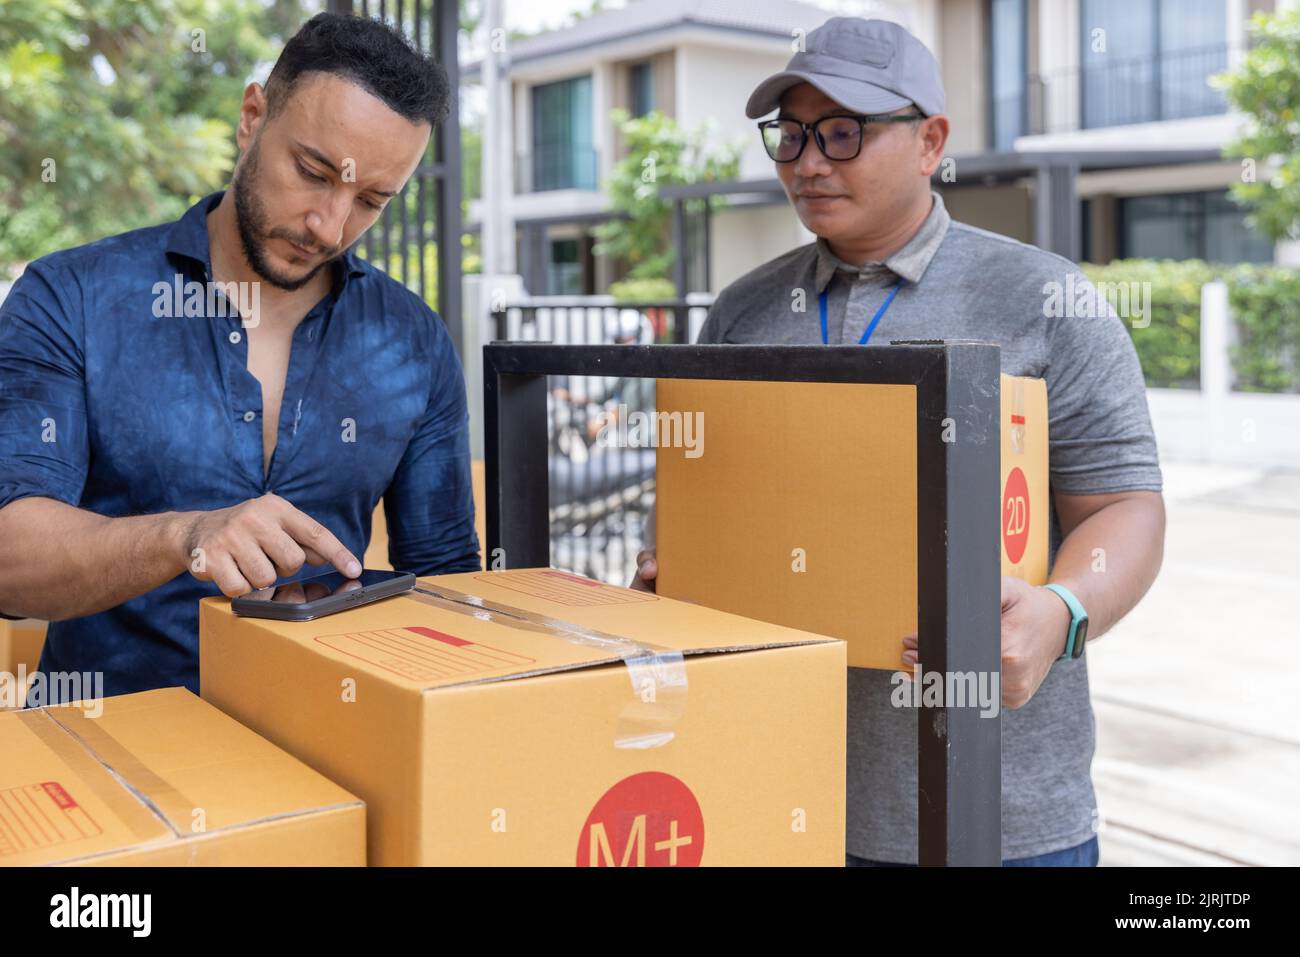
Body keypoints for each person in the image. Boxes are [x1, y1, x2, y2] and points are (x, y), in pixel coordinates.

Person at [632, 17, 1166, 867]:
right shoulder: (742, 311)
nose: (808, 162)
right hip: (783, 795)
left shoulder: (1042, 297)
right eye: (791, 135)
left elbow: (1125, 504)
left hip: (1000, 815)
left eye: (844, 132)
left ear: (931, 142)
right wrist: (678, 576)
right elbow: (704, 507)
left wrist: (1061, 613)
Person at [0, 13, 481, 700]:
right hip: (114, 762)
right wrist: (186, 534)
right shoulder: (72, 296)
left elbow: (447, 582)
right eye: (313, 173)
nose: (331, 226)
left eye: (372, 201)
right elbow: (8, 558)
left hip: (335, 760)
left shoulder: (415, 339)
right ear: (253, 115)